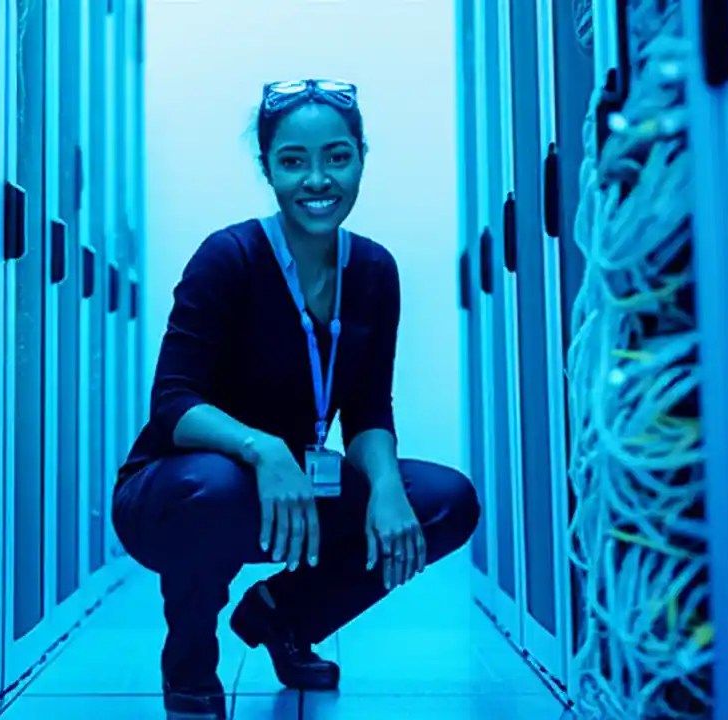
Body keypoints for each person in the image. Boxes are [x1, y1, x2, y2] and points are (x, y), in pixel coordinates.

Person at [111, 79, 481, 720]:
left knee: (443, 502)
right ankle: (191, 663)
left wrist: (388, 488)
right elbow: (172, 403)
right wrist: (262, 451)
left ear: (362, 156)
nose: (317, 179)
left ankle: (283, 617)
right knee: (217, 488)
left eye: (337, 157)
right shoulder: (227, 258)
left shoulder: (373, 271)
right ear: (268, 168)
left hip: (294, 488)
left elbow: (367, 408)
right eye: (293, 161)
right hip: (179, 493)